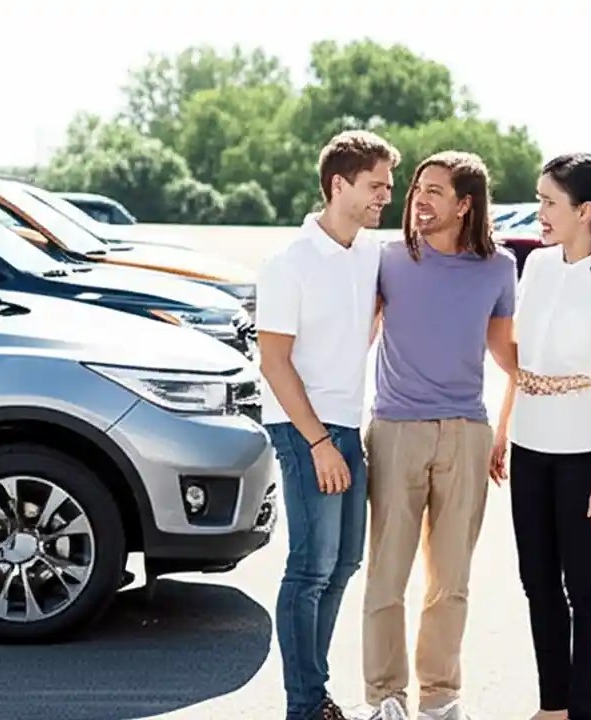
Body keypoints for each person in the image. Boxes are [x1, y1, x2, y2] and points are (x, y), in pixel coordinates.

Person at [353, 151, 517, 720]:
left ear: (466, 204)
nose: (418, 200)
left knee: (452, 581)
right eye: (416, 188)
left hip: (466, 433)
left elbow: (506, 355)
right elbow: (359, 338)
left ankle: (440, 698)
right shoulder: (389, 260)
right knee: (387, 576)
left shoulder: (498, 268)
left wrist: (527, 413)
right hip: (396, 428)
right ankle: (384, 697)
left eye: (435, 191)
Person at [491, 153, 591, 720]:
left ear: (586, 211)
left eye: (549, 202)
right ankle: (552, 707)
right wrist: (503, 427)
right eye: (538, 201)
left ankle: (583, 711)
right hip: (531, 447)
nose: (540, 213)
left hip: (587, 456)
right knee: (537, 582)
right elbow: (523, 361)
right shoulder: (535, 267)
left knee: (584, 587)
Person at [257, 129, 400, 720]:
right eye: (375, 186)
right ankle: (305, 704)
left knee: (343, 565)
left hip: (349, 424)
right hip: (304, 430)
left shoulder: (372, 256)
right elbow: (272, 360)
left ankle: (316, 696)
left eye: (389, 187)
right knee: (310, 568)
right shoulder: (287, 263)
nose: (385, 198)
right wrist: (317, 441)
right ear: (338, 184)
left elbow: (371, 320)